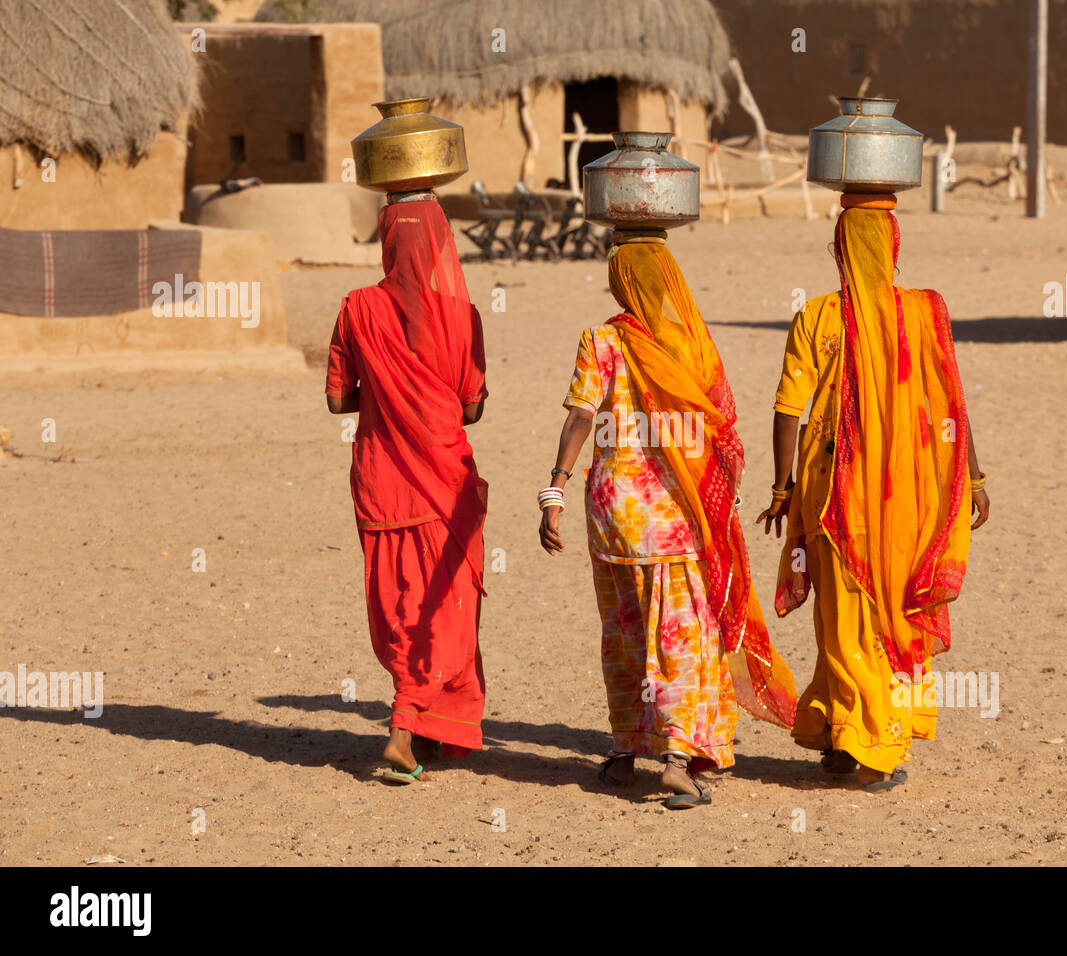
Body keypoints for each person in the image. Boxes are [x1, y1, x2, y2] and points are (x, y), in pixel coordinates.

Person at [540, 235, 797, 809]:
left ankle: (626, 751)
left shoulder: (601, 340)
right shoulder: (692, 346)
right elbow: (718, 430)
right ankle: (678, 760)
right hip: (678, 518)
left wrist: (554, 486)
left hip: (612, 514)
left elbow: (582, 416)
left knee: (625, 632)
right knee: (683, 635)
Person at [756, 193, 990, 790]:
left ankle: (846, 733)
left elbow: (788, 409)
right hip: (904, 491)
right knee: (891, 608)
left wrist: (782, 486)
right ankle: (866, 738)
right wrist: (973, 477)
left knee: (842, 615)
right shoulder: (923, 311)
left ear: (838, 249)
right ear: (893, 247)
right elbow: (950, 408)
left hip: (831, 488)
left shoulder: (816, 316)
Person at [325, 196, 489, 784]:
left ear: (386, 242)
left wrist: (386, 397)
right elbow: (471, 406)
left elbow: (337, 399)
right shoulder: (462, 315)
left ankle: (428, 724)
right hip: (443, 481)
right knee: (447, 604)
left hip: (381, 481)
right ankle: (404, 727)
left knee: (399, 603)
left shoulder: (357, 307)